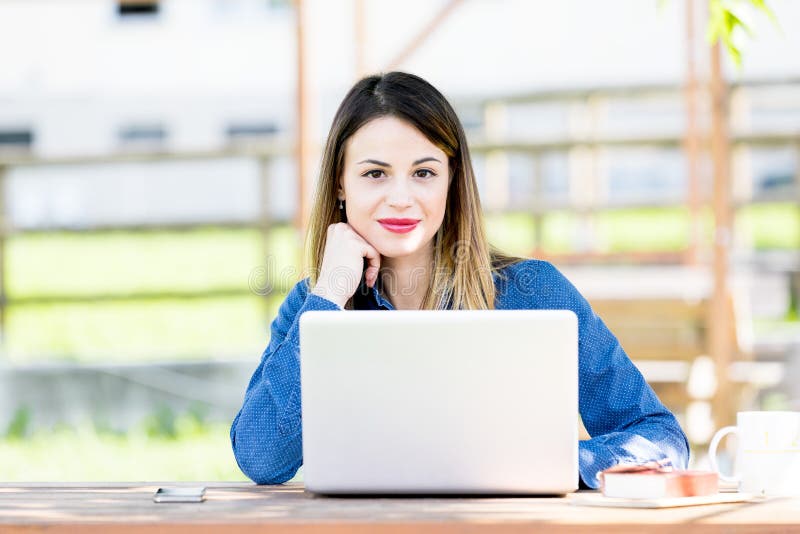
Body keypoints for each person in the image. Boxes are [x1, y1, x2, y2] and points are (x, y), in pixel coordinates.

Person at [229, 71, 690, 489]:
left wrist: (549, 465)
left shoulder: (535, 293)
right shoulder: (314, 306)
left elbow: (663, 441)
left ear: (451, 181)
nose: (401, 199)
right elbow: (260, 457)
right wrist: (329, 294)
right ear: (340, 185)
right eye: (374, 174)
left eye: (424, 173)